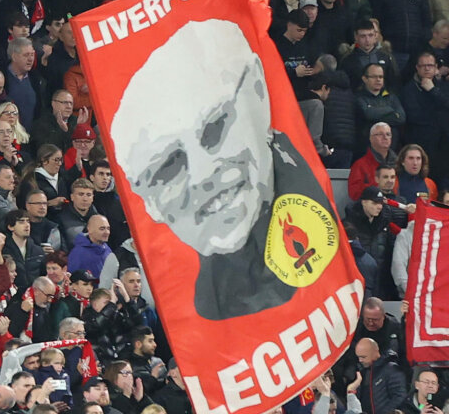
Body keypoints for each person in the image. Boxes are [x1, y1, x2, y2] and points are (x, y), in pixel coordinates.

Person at [106, 19, 336, 319]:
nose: (203, 175)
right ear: (150, 204)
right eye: (168, 168)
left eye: (215, 128)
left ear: (258, 93)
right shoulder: (197, 310)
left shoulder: (320, 223)